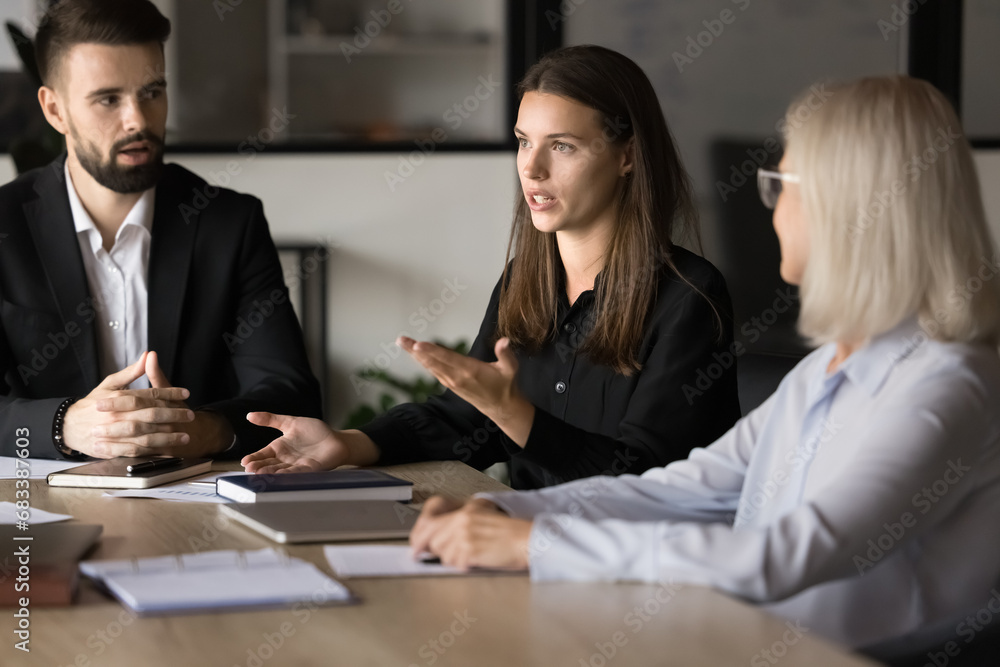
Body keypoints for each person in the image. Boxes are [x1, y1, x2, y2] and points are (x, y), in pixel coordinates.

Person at [405, 75, 1000, 650]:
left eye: (783, 184)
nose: (773, 209)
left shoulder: (948, 385)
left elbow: (782, 557)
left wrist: (533, 543)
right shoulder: (829, 370)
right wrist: (506, 508)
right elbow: (677, 491)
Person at [243, 46, 741, 489]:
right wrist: (349, 442)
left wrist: (514, 413)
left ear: (627, 156)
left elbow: (648, 479)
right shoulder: (524, 280)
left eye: (562, 146)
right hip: (527, 541)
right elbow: (468, 422)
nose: (532, 168)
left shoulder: (689, 297)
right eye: (524, 141)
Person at [0, 0, 322, 461]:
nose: (137, 120)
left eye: (152, 92)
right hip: (39, 498)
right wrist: (64, 425)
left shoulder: (229, 224)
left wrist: (202, 429)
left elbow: (292, 397)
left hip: (192, 493)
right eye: (108, 99)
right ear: (55, 110)